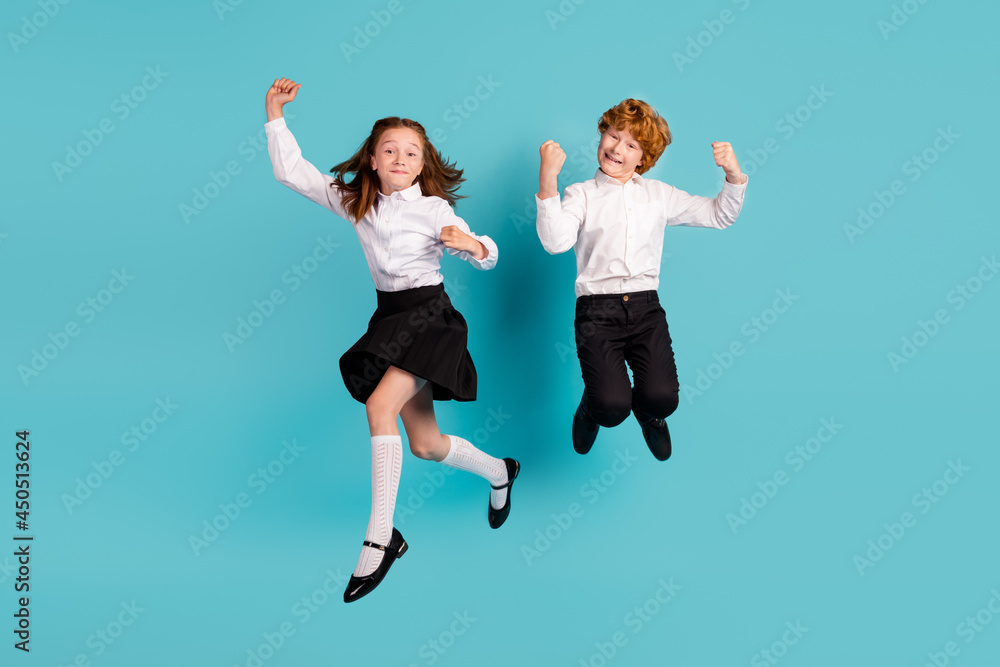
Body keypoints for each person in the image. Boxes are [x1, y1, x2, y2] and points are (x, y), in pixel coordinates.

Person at [263, 77, 519, 603]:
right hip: (391, 319)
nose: (400, 158)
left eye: (411, 152)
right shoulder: (357, 202)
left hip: (432, 319)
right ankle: (501, 470)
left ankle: (381, 538)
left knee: (379, 407)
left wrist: (470, 243)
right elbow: (293, 173)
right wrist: (275, 115)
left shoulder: (434, 210)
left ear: (422, 165)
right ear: (373, 160)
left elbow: (486, 254)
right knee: (425, 445)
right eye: (389, 150)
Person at [535, 98, 748, 461]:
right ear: (602, 135)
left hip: (646, 309)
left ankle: (649, 416)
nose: (617, 148)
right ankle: (592, 406)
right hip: (597, 313)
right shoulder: (581, 194)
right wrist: (548, 178)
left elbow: (719, 215)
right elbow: (555, 242)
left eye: (631, 145)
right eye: (613, 136)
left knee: (663, 399)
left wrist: (732, 174)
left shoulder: (658, 195)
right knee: (611, 408)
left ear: (643, 159)